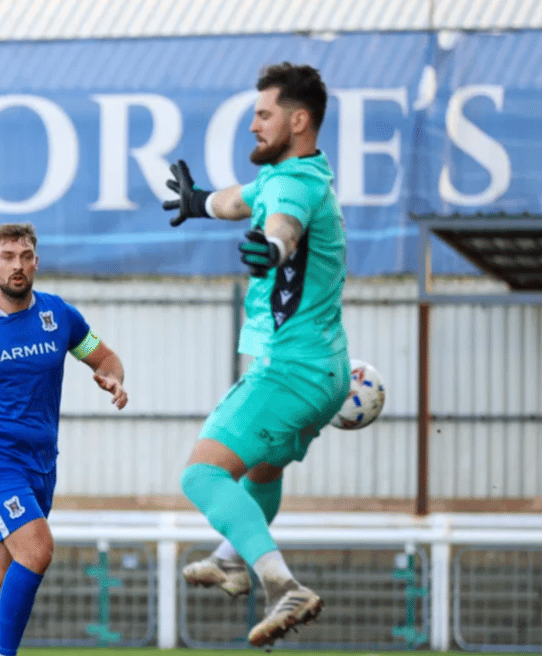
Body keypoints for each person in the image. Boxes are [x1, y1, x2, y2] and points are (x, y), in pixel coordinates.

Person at [161, 62, 349, 647]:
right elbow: (238, 201)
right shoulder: (294, 174)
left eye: (263, 115)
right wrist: (196, 202)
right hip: (324, 371)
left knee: (201, 475)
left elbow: (283, 229)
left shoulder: (294, 188)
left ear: (298, 120)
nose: (252, 126)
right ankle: (230, 558)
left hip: (289, 370)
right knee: (262, 471)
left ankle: (281, 583)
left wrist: (272, 250)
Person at [0, 223, 128, 656]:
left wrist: (112, 377)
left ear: (36, 262)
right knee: (37, 549)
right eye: (8, 257)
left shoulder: (59, 316)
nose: (18, 265)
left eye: (26, 256)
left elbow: (103, 356)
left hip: (40, 465)